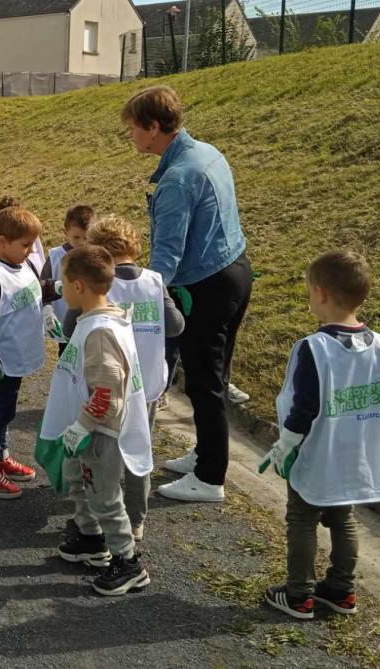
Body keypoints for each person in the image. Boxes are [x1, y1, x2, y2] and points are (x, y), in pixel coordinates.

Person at [121, 85, 253, 503]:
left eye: (133, 128)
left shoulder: (176, 179)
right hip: (236, 270)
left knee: (203, 382)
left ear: (153, 127)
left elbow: (166, 256)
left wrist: (141, 297)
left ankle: (210, 477)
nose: (131, 136)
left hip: (206, 287)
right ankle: (205, 452)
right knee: (216, 375)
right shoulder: (208, 153)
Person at [261, 251, 380, 620]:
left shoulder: (315, 348)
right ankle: (341, 589)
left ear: (320, 293)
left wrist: (285, 446)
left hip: (317, 453)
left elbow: (303, 408)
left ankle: (299, 594)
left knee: (302, 518)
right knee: (343, 517)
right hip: (356, 453)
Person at [39, 245, 153, 596]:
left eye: (63, 282)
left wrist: (83, 426)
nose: (60, 289)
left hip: (100, 432)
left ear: (78, 286)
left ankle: (128, 562)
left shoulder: (101, 331)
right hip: (87, 426)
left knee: (104, 495)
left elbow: (107, 391)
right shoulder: (96, 319)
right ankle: (91, 538)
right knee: (77, 479)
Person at [83, 215, 185, 541]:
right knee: (140, 449)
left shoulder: (100, 284)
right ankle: (136, 519)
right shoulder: (154, 281)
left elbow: (74, 325)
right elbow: (176, 326)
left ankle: (103, 514)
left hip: (108, 382)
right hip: (148, 383)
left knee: (104, 451)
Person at [0, 205, 63, 499]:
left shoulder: (23, 264)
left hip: (16, 354)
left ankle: (1, 456)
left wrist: (59, 287)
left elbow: (36, 288)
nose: (31, 250)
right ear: (3, 241)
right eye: (25, 245)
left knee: (6, 409)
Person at [44, 204, 95, 356]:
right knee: (67, 358)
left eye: (86, 238)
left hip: (91, 323)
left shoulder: (97, 256)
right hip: (64, 324)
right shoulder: (55, 257)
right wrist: (47, 310)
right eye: (76, 237)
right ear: (65, 232)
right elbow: (42, 285)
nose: (81, 243)